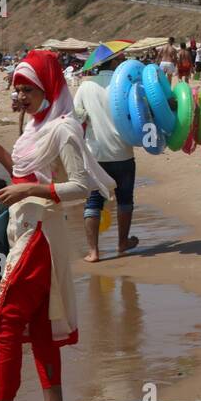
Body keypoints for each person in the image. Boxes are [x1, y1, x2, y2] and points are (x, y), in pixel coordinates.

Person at [0, 49, 114, 401]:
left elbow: (81, 188)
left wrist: (34, 188)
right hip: (25, 233)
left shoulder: (63, 128)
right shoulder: (35, 127)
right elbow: (23, 177)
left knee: (6, 325)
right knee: (40, 327)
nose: (20, 97)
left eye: (27, 89)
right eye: (16, 89)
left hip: (40, 239)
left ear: (47, 87)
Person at [74, 76, 139, 262]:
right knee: (125, 200)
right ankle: (122, 243)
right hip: (123, 151)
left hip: (97, 155)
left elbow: (76, 115)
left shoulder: (85, 86)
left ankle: (93, 252)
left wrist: (91, 116)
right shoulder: (125, 85)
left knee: (94, 201)